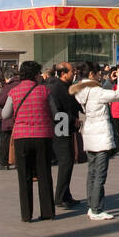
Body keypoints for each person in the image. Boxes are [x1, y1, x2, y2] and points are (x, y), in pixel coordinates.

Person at [71, 62, 119, 221]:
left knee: (92, 172)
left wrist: (108, 81)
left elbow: (102, 90)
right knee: (100, 174)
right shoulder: (96, 91)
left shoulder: (81, 90)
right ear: (91, 74)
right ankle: (97, 209)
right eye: (97, 73)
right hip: (101, 134)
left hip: (89, 133)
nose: (99, 76)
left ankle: (91, 206)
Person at [3, 60, 55, 222]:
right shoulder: (45, 91)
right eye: (39, 73)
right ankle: (47, 212)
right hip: (42, 136)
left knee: (24, 176)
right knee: (44, 174)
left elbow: (5, 114)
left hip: (21, 137)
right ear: (34, 74)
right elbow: (54, 112)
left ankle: (26, 214)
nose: (40, 76)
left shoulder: (14, 92)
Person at [46, 62, 81, 209]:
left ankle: (66, 195)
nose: (75, 73)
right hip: (60, 128)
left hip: (68, 127)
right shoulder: (56, 88)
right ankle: (60, 197)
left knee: (69, 161)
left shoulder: (67, 87)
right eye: (72, 71)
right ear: (63, 73)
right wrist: (73, 119)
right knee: (66, 161)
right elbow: (57, 111)